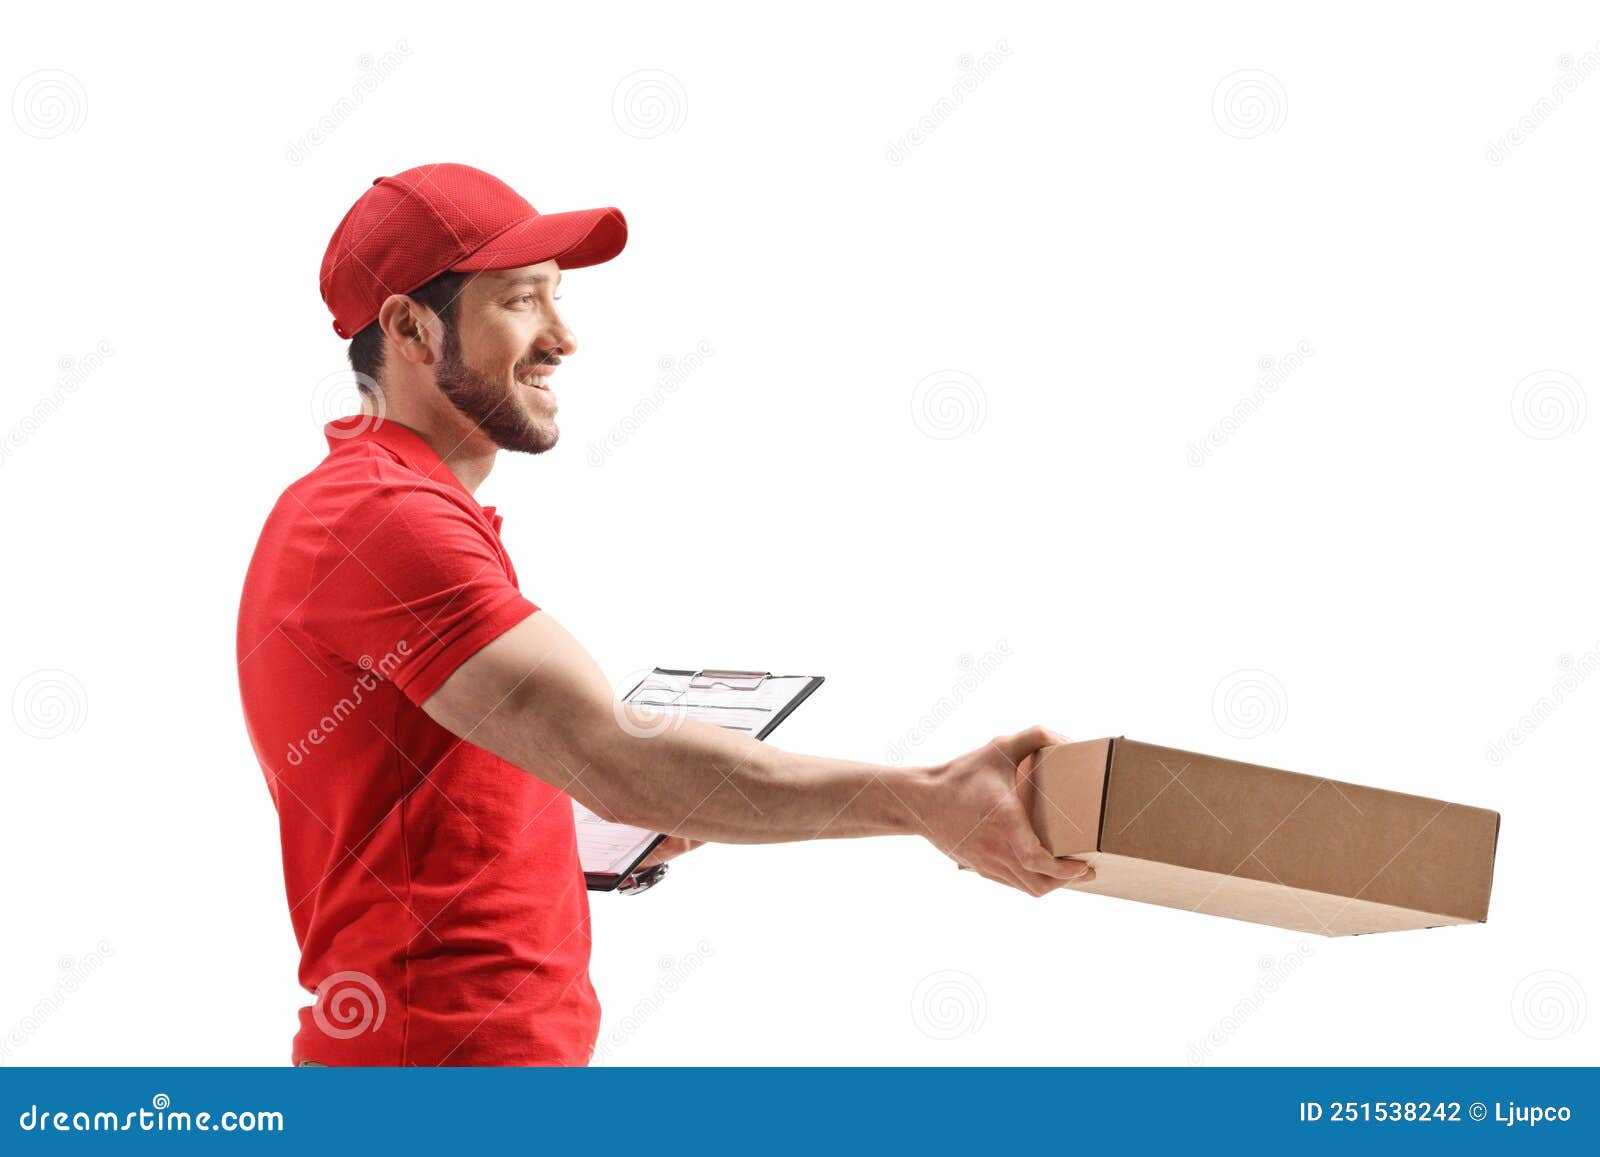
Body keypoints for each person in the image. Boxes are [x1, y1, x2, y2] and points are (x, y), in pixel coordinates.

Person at [236, 163, 1093, 1067]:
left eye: (557, 298)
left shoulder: (388, 508)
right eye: (522, 300)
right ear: (410, 327)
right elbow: (610, 756)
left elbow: (431, 794)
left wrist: (581, 824)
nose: (562, 337)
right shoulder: (382, 520)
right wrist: (928, 803)